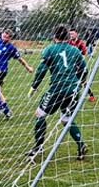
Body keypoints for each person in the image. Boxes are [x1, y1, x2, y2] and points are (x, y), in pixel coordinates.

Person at [27, 25, 88, 162]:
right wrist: (80, 81)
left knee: (40, 114)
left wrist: (34, 87)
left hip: (57, 89)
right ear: (67, 37)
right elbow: (84, 69)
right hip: (73, 90)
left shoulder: (50, 49)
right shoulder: (75, 50)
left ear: (54, 36)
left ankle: (38, 147)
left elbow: (42, 70)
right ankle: (81, 145)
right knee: (67, 119)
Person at [0, 29, 34, 119]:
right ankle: (7, 111)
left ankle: (0, 108)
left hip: (1, 69)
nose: (4, 38)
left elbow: (20, 59)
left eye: (6, 37)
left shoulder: (11, 48)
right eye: (3, 35)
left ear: (10, 38)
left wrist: (28, 67)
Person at [67, 29, 97, 103]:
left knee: (82, 82)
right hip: (71, 66)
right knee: (76, 82)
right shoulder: (68, 43)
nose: (71, 35)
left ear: (77, 34)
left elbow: (84, 53)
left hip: (80, 66)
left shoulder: (80, 43)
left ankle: (91, 96)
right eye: (70, 34)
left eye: (73, 34)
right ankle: (91, 96)